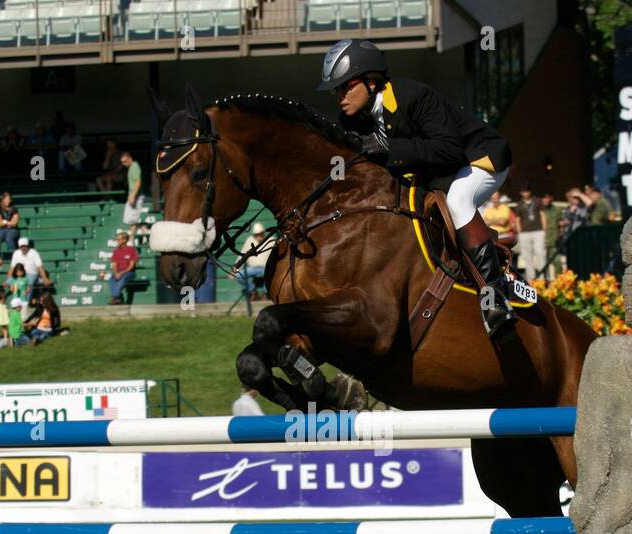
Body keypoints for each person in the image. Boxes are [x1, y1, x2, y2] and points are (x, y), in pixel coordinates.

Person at [319, 38, 517, 338]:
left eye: (347, 86)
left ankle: (495, 297)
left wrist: (388, 147)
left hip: (480, 157)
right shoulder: (349, 121)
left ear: (371, 82)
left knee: (459, 199)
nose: (340, 96)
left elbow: (450, 150)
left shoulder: (413, 95)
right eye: (337, 89)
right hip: (436, 173)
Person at [514, 183, 546, 282]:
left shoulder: (537, 201)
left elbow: (542, 215)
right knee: (527, 256)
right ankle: (531, 279)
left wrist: (544, 230)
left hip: (538, 231)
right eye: (523, 191)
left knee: (540, 253)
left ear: (530, 191)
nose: (525, 193)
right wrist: (519, 233)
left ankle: (542, 277)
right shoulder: (519, 204)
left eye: (527, 191)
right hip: (525, 233)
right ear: (520, 193)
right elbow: (518, 219)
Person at [233, 222, 271, 301]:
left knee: (271, 274)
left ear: (263, 232)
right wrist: (236, 268)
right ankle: (253, 291)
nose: (258, 236)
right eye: (256, 234)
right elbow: (243, 255)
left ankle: (265, 293)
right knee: (238, 276)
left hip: (266, 268)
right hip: (252, 268)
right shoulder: (249, 240)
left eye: (260, 234)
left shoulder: (270, 240)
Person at [107, 229, 138, 305]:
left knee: (122, 280)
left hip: (129, 272)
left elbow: (131, 266)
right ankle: (117, 298)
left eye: (118, 240)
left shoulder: (132, 250)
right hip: (118, 271)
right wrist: (116, 273)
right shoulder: (116, 251)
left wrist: (121, 273)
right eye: (117, 239)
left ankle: (115, 297)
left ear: (124, 240)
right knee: (111, 280)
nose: (117, 241)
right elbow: (114, 265)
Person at [120, 151, 144, 225]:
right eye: (122, 162)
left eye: (125, 161)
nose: (123, 164)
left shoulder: (135, 167)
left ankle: (131, 237)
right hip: (133, 197)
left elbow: (138, 182)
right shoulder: (131, 167)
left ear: (130, 158)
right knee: (133, 221)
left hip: (136, 197)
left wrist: (133, 196)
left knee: (132, 221)